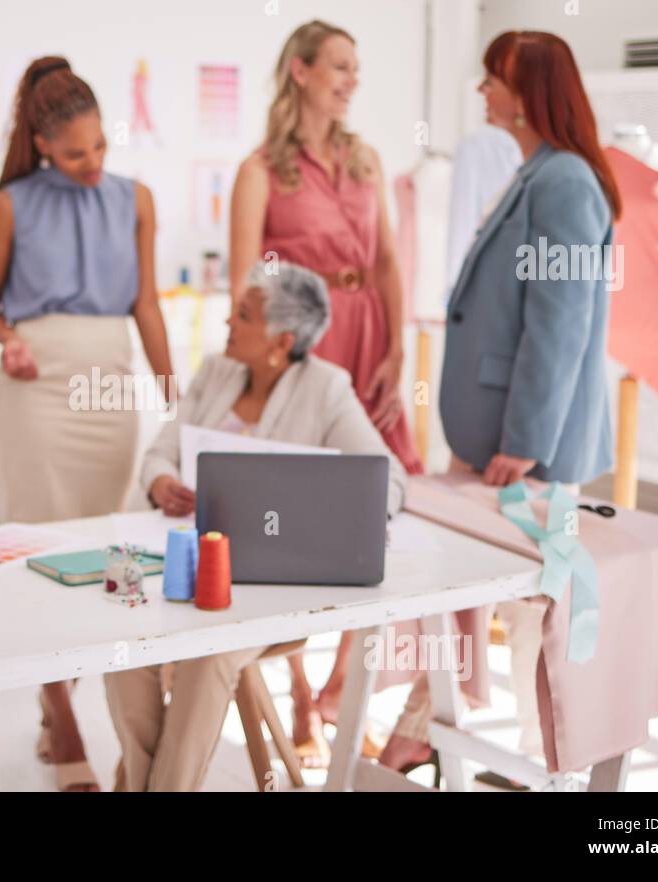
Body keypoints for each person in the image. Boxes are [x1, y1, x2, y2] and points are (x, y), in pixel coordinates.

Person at [380, 30, 620, 782]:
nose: (482, 90)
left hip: (524, 444)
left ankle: (546, 760)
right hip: (498, 435)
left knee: (533, 607)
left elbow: (561, 322)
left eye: (494, 79)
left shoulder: (564, 182)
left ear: (528, 93)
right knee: (486, 590)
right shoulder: (535, 173)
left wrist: (524, 437)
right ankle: (440, 731)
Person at [105, 260, 406, 791]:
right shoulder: (215, 372)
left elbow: (390, 481)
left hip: (269, 591)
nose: (228, 321)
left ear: (281, 341)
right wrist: (161, 483)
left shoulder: (326, 389)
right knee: (123, 648)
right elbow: (158, 454)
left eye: (243, 315)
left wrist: (340, 512)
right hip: (184, 573)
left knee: (209, 654)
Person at [0, 56, 176, 791]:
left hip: (111, 386)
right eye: (74, 153)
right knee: (41, 543)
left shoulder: (136, 199)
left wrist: (173, 392)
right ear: (43, 145)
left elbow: (145, 302)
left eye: (99, 147)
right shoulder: (11, 205)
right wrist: (9, 341)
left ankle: (67, 690)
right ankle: (60, 717)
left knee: (104, 552)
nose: (92, 164)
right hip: (38, 389)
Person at [229, 19, 423, 765]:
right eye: (339, 66)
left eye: (356, 67)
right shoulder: (259, 171)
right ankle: (300, 690)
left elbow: (388, 262)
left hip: (370, 340)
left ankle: (344, 692)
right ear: (301, 72)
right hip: (303, 349)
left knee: (371, 508)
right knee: (296, 517)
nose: (352, 79)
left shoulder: (366, 161)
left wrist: (398, 349)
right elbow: (247, 285)